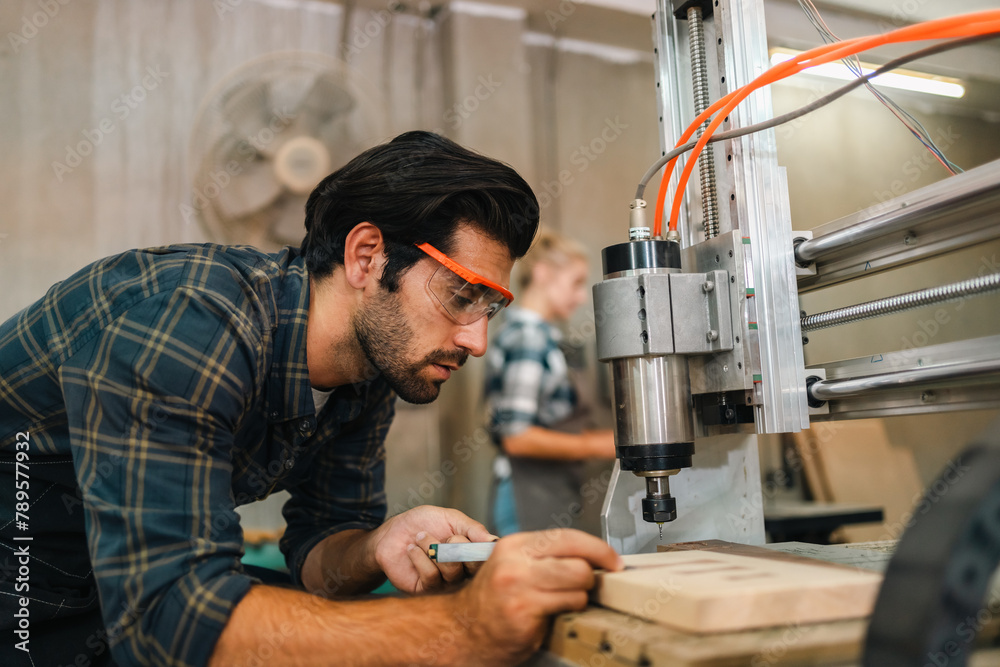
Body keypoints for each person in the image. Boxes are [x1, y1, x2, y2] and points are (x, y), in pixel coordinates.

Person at [0, 131, 622, 667]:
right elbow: (172, 625)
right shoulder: (192, 323)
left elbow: (320, 551)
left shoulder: (371, 371)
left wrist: (377, 544)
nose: (477, 341)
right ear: (367, 255)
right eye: (461, 296)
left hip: (110, 597)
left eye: (490, 308)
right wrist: (463, 628)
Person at [485, 231, 617, 536]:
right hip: (527, 493)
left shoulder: (544, 337)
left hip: (549, 489)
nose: (582, 296)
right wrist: (599, 444)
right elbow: (516, 437)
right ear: (543, 274)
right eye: (576, 282)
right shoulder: (528, 339)